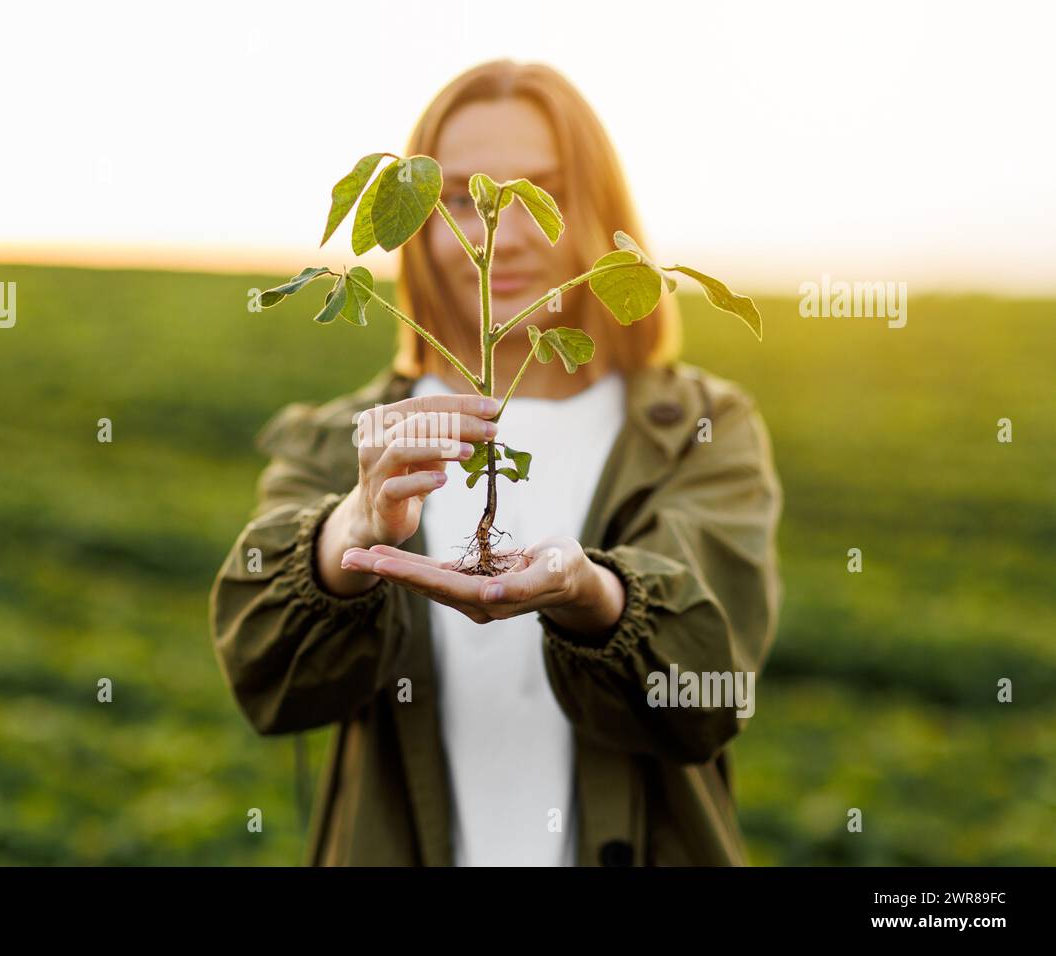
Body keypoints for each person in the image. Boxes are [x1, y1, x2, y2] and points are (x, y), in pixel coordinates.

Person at [210, 60, 782, 866]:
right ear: (418, 223)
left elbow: (710, 691)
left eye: (539, 191)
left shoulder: (698, 429)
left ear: (598, 208)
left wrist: (598, 599)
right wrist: (351, 535)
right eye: (458, 198)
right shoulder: (352, 439)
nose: (500, 235)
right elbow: (266, 679)